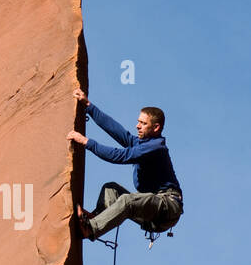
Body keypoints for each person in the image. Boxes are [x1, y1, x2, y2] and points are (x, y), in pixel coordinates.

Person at [66, 89, 182, 241]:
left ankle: (91, 228)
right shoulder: (141, 143)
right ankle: (96, 219)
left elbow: (121, 156)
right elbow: (117, 131)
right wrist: (88, 105)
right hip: (152, 210)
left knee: (127, 200)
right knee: (110, 189)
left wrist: (87, 142)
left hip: (168, 206)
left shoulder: (155, 148)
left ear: (156, 128)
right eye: (138, 121)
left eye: (143, 123)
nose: (137, 126)